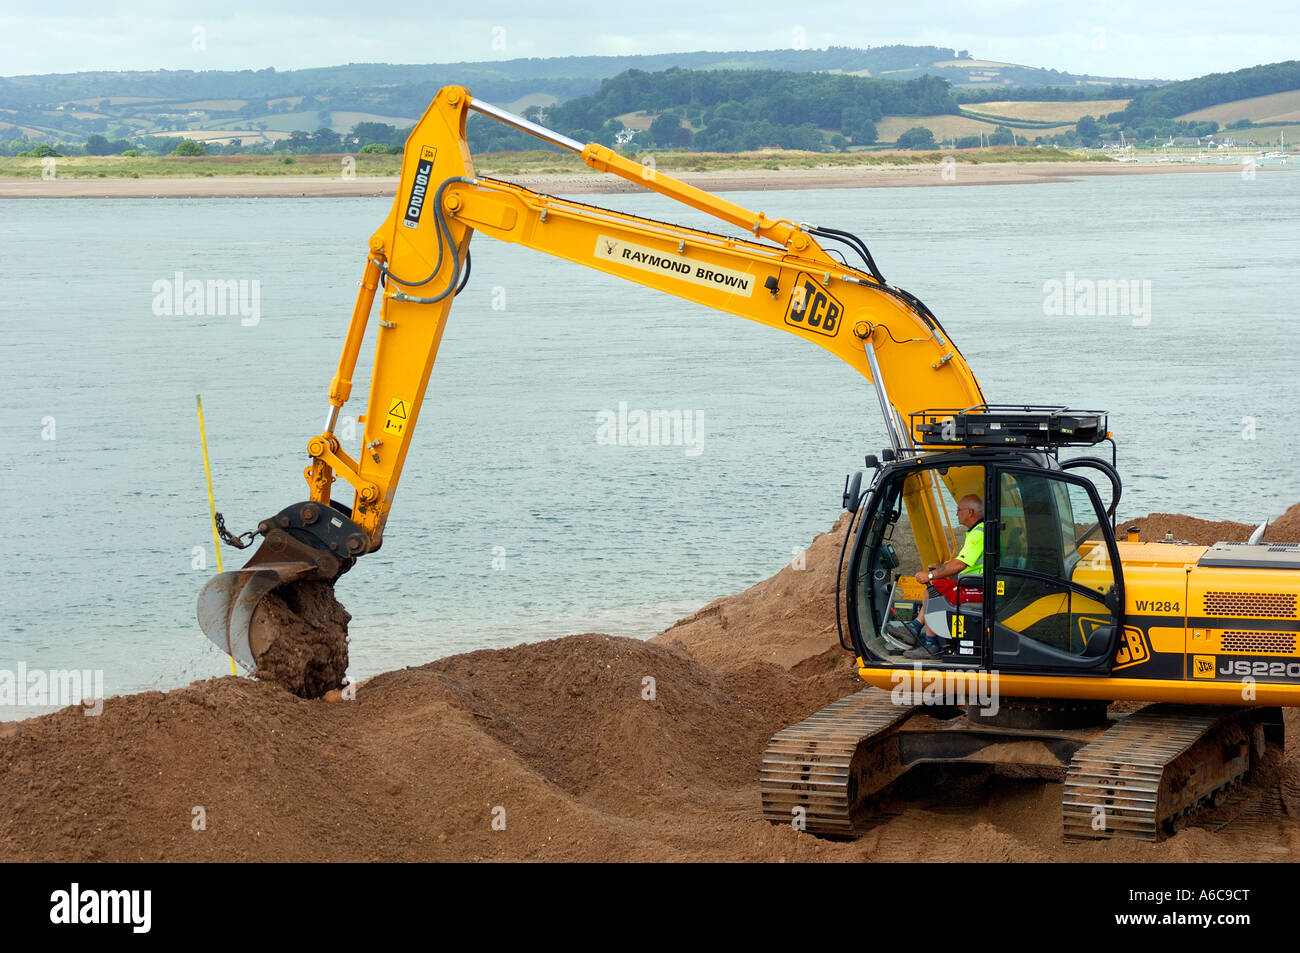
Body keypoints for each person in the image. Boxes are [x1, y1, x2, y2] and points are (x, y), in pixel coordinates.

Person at [887, 494, 985, 659]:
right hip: (973, 583)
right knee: (930, 592)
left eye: (959, 510)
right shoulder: (977, 531)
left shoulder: (978, 534)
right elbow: (964, 561)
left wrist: (930, 575)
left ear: (969, 512)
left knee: (934, 593)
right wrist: (942, 568)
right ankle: (914, 628)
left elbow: (960, 565)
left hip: (978, 587)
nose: (956, 514)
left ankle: (931, 644)